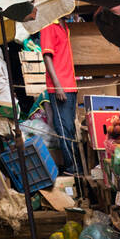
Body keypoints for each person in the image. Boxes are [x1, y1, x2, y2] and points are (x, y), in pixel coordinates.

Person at [41, 17, 78, 175]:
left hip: (71, 85)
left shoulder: (65, 25)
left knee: (70, 128)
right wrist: (57, 86)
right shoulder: (49, 25)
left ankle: (75, 166)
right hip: (60, 86)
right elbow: (47, 56)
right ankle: (71, 168)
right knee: (63, 128)